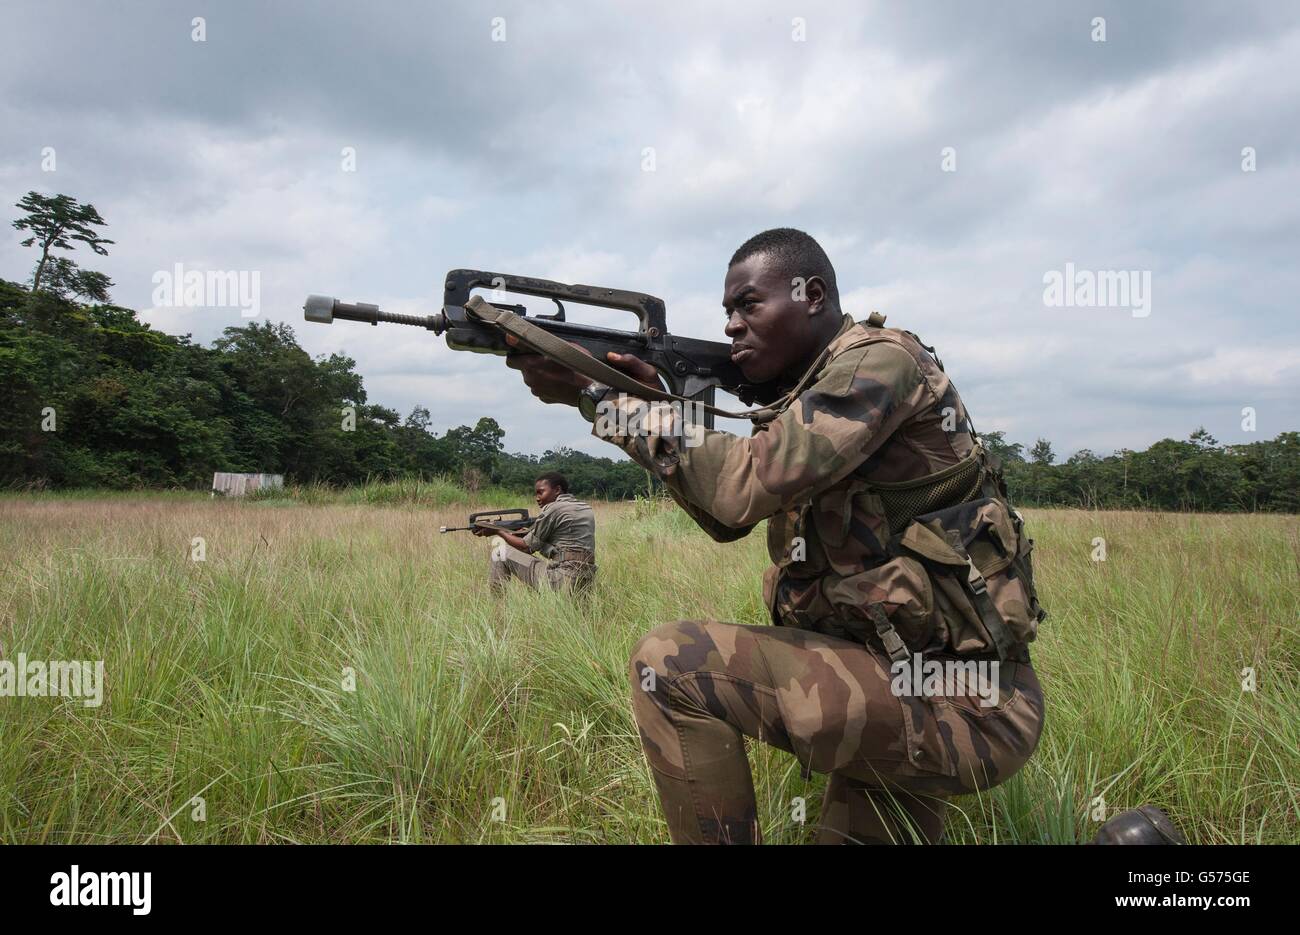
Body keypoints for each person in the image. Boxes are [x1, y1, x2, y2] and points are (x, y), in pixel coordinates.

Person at [509, 227, 1174, 846]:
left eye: (748, 304)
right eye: (726, 312)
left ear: (812, 295)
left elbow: (739, 485)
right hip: (903, 682)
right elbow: (725, 515)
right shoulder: (809, 396)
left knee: (670, 662)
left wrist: (602, 398)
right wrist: (635, 402)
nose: (731, 323)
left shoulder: (879, 364)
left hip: (965, 705)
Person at [472, 472, 596, 595]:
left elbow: (527, 547)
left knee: (499, 553)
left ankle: (497, 610)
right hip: (586, 580)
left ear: (557, 489)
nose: (537, 498)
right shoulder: (584, 508)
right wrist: (524, 534)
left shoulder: (553, 509)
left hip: (562, 578)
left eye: (541, 492)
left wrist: (498, 531)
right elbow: (563, 544)